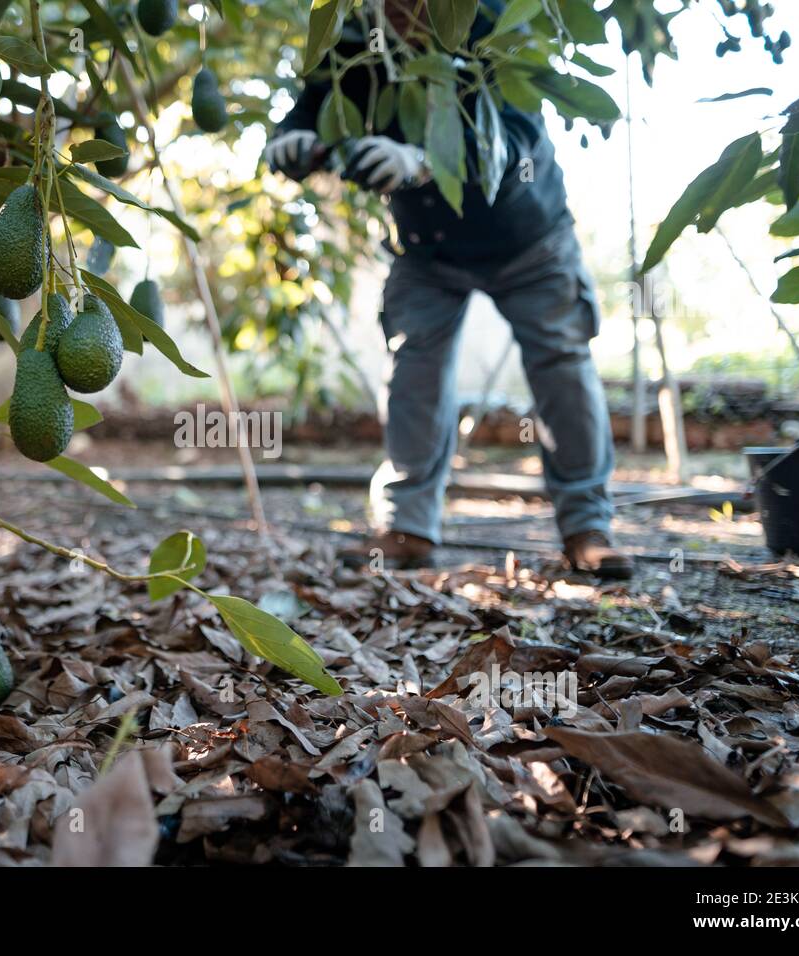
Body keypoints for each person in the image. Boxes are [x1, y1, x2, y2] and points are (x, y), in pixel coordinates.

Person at [263, 1, 632, 578]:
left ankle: (588, 526)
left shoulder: (493, 27)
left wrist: (425, 161)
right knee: (414, 371)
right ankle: (407, 527)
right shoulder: (353, 45)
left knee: (561, 365)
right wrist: (290, 142)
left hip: (527, 239)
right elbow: (309, 112)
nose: (406, 11)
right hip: (426, 248)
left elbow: (512, 140)